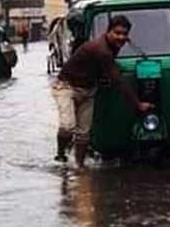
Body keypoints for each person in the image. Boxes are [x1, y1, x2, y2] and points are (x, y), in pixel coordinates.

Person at [52, 15, 153, 168]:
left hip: (88, 90)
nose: (121, 37)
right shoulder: (101, 50)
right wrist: (138, 104)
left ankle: (79, 166)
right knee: (67, 126)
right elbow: (117, 80)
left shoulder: (113, 47)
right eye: (117, 33)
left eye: (124, 34)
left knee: (84, 134)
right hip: (66, 86)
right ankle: (60, 155)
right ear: (108, 32)